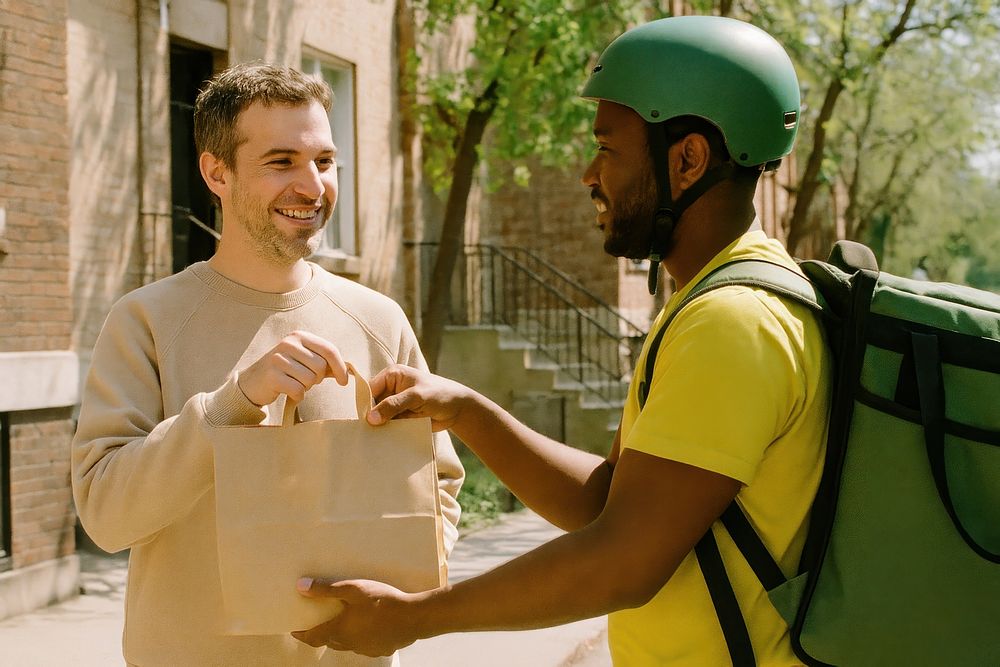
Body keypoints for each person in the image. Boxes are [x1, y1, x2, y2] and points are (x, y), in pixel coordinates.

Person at [291, 15, 832, 666]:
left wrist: (413, 616)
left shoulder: (733, 322)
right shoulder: (708, 301)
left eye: (608, 148)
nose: (587, 174)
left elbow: (620, 561)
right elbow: (605, 500)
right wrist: (464, 409)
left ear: (686, 159)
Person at [70, 62, 463, 666]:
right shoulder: (145, 321)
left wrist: (407, 585)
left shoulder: (378, 320)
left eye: (324, 161)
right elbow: (105, 516)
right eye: (281, 162)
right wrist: (232, 405)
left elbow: (437, 485)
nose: (312, 186)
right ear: (216, 172)